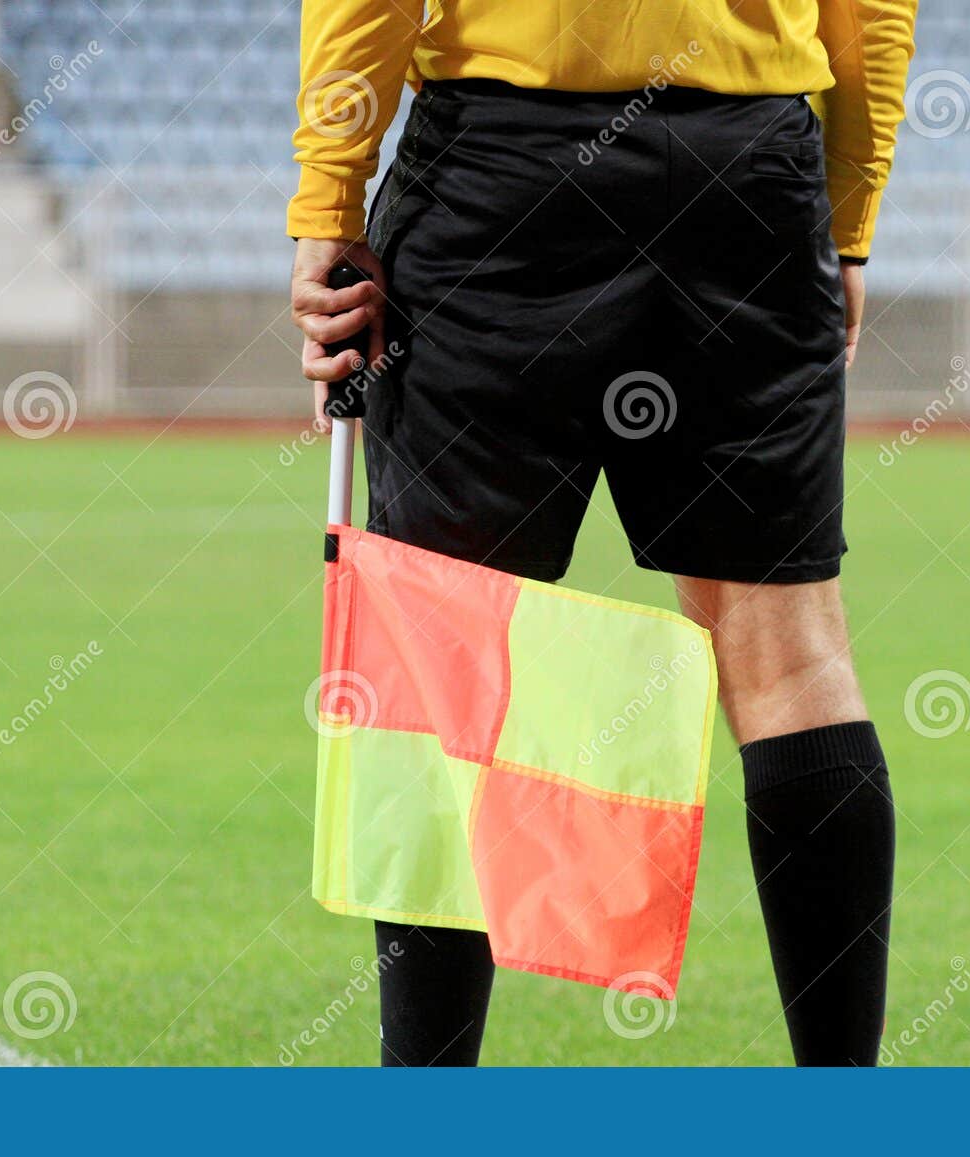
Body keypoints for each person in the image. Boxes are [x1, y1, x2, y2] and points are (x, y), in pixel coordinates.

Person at [288, 1, 918, 1067]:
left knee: (450, 663)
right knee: (791, 663)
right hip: (744, 174)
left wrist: (328, 201)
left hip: (499, 175)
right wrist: (847, 222)